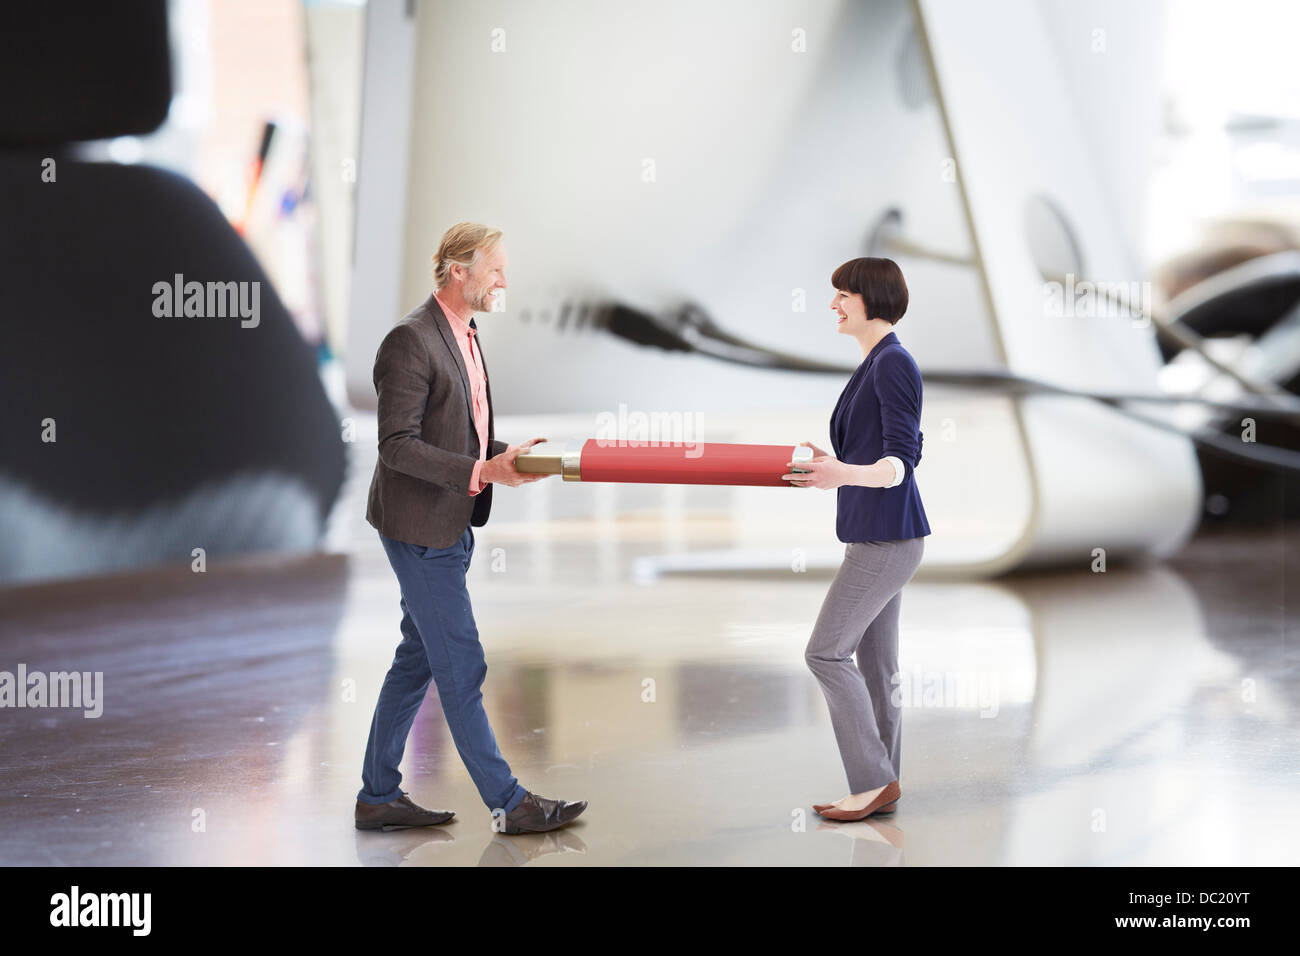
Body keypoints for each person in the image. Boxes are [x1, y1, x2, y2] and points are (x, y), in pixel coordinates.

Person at [355, 221, 588, 834]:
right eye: (495, 269)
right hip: (419, 528)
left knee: (419, 657)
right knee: (461, 661)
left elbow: (462, 430)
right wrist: (483, 469)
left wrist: (512, 457)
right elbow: (397, 447)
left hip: (452, 518)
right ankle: (509, 804)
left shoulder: (466, 331)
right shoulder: (409, 341)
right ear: (460, 271)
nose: (504, 280)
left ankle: (377, 795)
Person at [782, 256, 931, 821]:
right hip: (881, 534)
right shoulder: (876, 362)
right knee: (876, 667)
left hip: (886, 540)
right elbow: (879, 451)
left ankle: (871, 782)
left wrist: (843, 473)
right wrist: (836, 464)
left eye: (842, 293)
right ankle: (882, 782)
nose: (833, 304)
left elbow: (901, 463)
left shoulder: (893, 363)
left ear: (870, 297)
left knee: (824, 651)